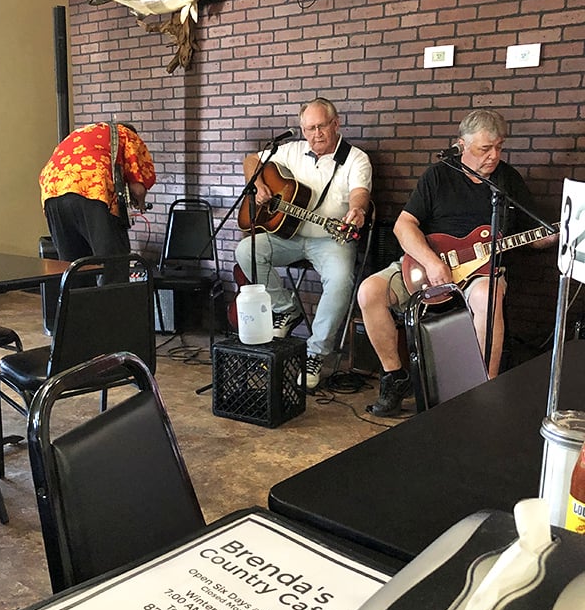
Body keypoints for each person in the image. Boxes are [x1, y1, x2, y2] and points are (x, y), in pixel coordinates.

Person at [358, 108, 558, 417]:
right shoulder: (438, 175)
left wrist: (555, 234)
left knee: (487, 296)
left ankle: (483, 388)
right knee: (369, 291)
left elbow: (532, 235)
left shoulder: (507, 180)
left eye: (499, 147)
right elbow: (403, 225)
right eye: (484, 148)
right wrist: (432, 263)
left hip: (482, 272)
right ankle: (395, 376)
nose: (493, 156)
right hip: (428, 264)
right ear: (461, 145)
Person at [235, 97, 373, 390]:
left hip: (331, 239)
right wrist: (259, 185)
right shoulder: (291, 150)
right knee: (246, 250)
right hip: (289, 236)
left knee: (340, 280)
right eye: (309, 128)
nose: (316, 134)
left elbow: (360, 193)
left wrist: (357, 210)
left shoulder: (355, 158)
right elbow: (251, 160)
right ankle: (286, 308)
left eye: (321, 126)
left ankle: (315, 354)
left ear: (336, 124)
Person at [39, 121, 155, 260]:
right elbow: (138, 189)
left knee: (74, 264)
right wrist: (140, 204)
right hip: (91, 188)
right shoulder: (127, 134)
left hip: (52, 191)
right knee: (113, 261)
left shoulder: (85, 132)